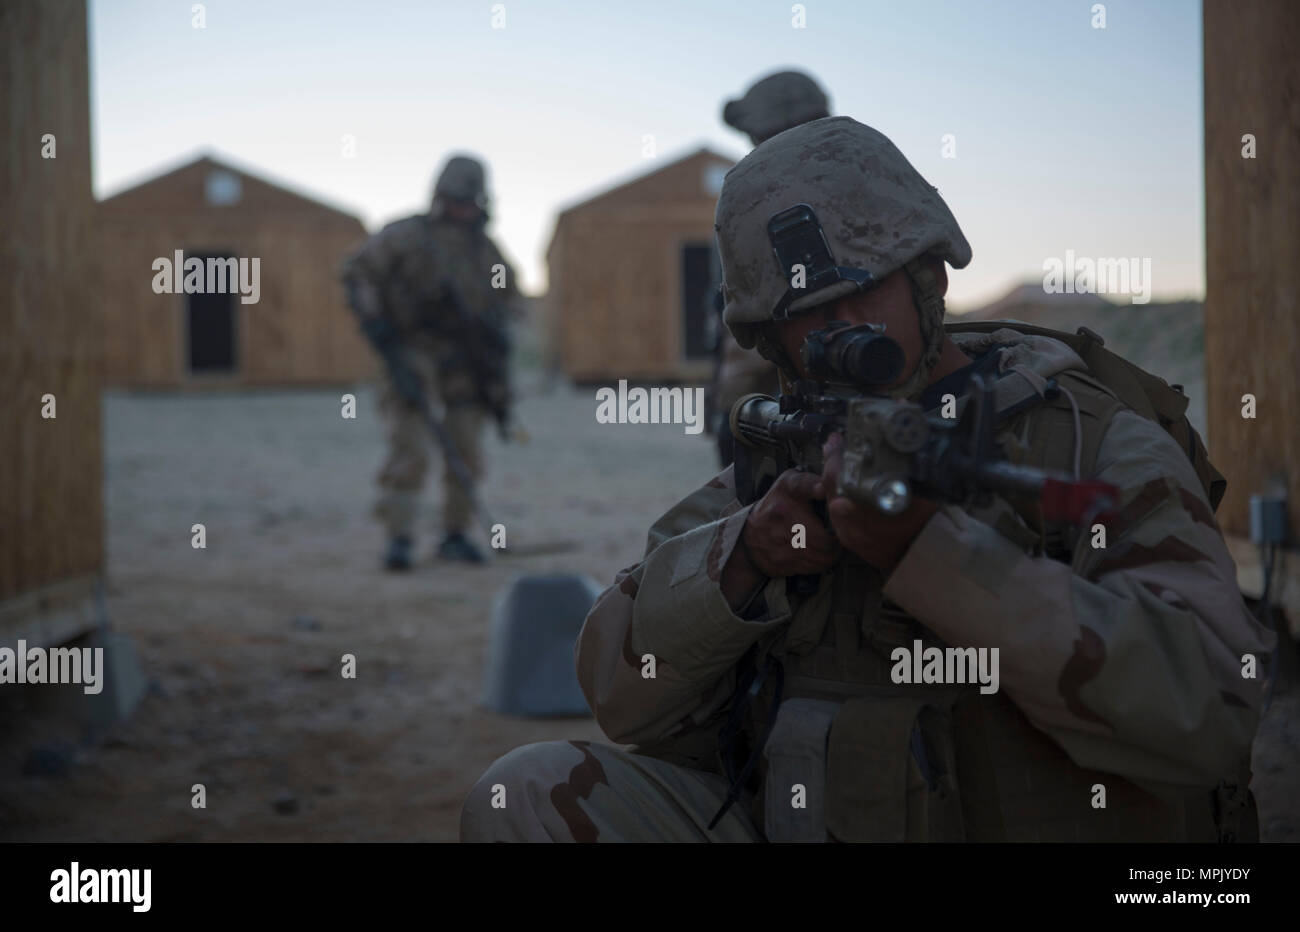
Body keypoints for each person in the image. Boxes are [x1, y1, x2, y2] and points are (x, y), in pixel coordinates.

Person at [459, 116, 1274, 842]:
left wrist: (936, 557)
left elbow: (1215, 712)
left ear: (929, 277)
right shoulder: (787, 462)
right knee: (524, 794)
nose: (838, 331)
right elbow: (619, 695)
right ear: (770, 338)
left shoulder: (1085, 441)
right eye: (805, 315)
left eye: (863, 294)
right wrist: (746, 561)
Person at [340, 155, 520, 570]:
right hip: (412, 355)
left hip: (468, 366)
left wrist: (497, 343)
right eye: (457, 199)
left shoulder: (484, 249)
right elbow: (357, 273)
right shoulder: (405, 236)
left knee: (467, 452)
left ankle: (454, 534)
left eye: (470, 201)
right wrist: (377, 326)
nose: (463, 209)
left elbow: (507, 296)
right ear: (441, 197)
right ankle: (399, 537)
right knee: (410, 450)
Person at [710, 70, 831, 467]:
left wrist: (729, 413)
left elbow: (755, 329)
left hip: (784, 398)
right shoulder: (860, 179)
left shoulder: (767, 197)